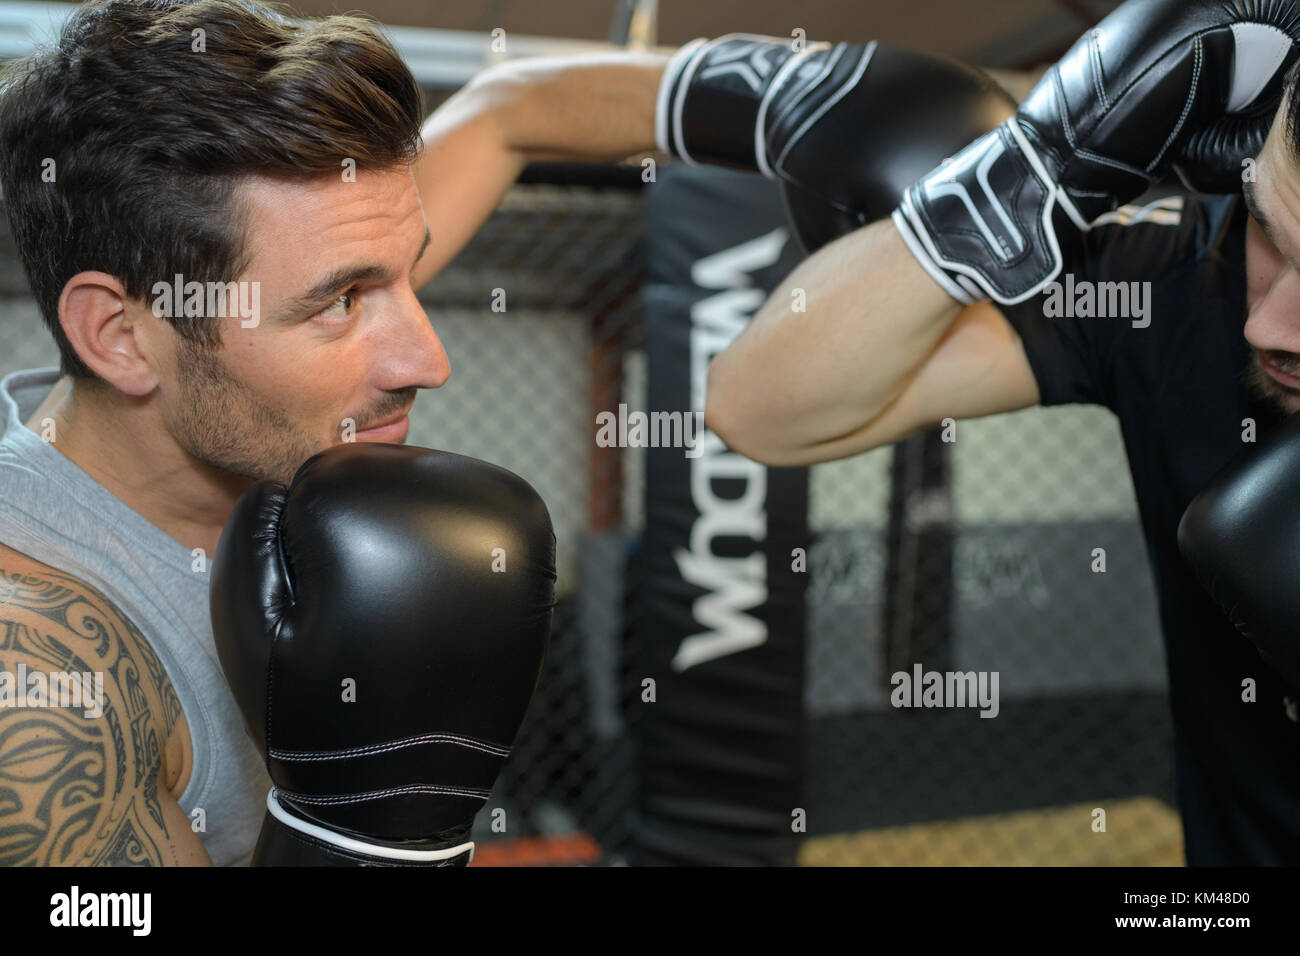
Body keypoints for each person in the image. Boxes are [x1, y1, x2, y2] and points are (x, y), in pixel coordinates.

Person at [0, 0, 666, 866]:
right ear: (121, 337)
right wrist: (372, 846)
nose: (429, 362)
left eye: (408, 273)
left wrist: (773, 98)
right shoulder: (42, 689)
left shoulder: (292, 263)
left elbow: (513, 111)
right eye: (345, 301)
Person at [698, 0, 1300, 864]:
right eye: (1273, 234)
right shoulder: (1173, 278)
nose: (1268, 325)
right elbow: (757, 405)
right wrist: (1032, 166)